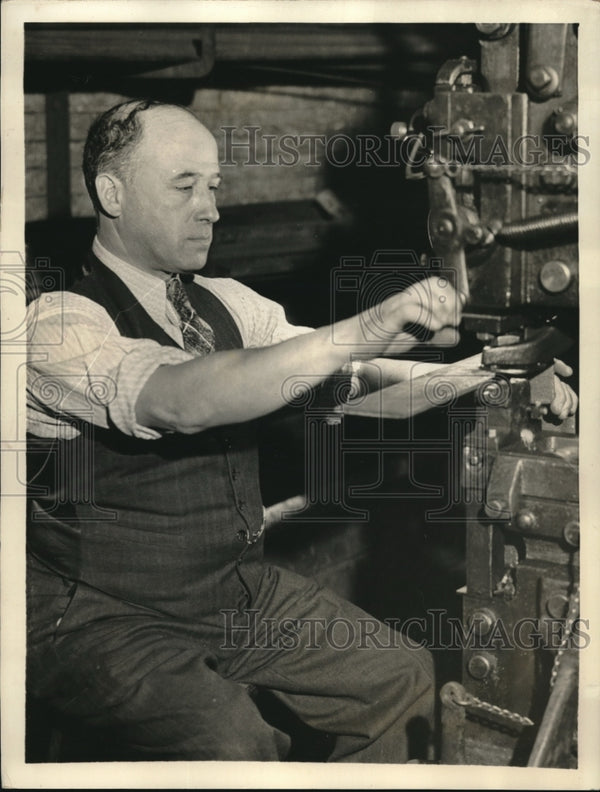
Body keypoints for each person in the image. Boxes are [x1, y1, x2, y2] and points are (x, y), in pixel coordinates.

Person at [26, 99, 578, 763]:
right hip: (105, 617)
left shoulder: (225, 303)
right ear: (112, 193)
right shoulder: (57, 323)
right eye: (184, 187)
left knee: (402, 681)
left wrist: (492, 372)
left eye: (214, 187)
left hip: (230, 589)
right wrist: (362, 329)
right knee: (232, 742)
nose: (210, 209)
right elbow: (177, 401)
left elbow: (367, 392)